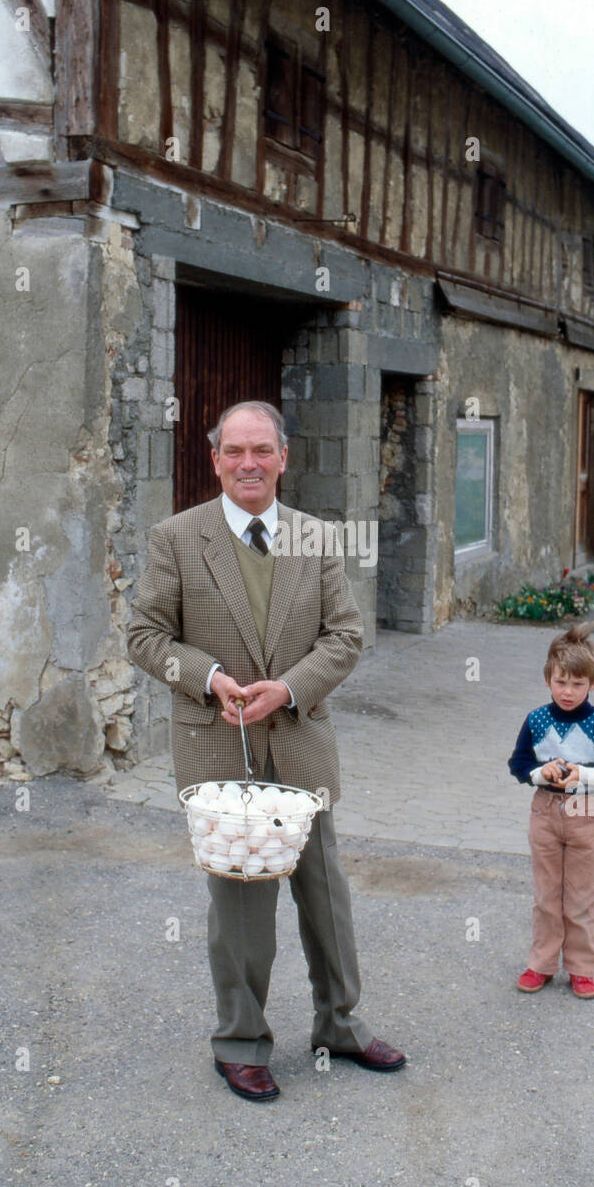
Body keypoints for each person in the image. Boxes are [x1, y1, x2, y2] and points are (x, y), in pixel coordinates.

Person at [127, 400, 405, 1100]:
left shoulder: (316, 537)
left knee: (326, 896)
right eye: (234, 452)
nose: (248, 463)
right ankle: (240, 1042)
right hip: (220, 752)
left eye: (262, 451)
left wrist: (287, 689)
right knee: (242, 907)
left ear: (284, 458)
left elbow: (345, 636)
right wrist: (209, 679)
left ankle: (340, 1024)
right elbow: (145, 637)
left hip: (302, 741)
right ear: (214, 459)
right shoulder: (176, 538)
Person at [507, 621, 594, 999]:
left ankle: (581, 968)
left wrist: (586, 774)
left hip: (585, 813)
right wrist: (538, 772)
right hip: (545, 813)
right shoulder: (536, 720)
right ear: (548, 678)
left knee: (580, 897)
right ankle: (541, 963)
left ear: (592, 684)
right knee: (547, 895)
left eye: (577, 684)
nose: (568, 691)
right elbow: (517, 763)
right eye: (561, 682)